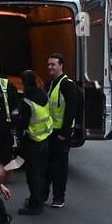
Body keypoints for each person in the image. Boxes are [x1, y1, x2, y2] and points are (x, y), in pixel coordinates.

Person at [43, 53, 82, 209]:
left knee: (59, 168)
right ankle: (43, 195)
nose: (50, 67)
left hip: (60, 133)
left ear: (61, 66)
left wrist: (64, 134)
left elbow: (72, 110)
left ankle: (59, 198)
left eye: (53, 64)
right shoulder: (50, 83)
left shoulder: (67, 84)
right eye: (48, 64)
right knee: (47, 167)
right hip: (49, 132)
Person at [15, 70, 53, 216]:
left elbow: (23, 122)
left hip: (32, 140)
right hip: (45, 137)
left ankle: (35, 204)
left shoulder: (27, 99)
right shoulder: (43, 94)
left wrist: (15, 121)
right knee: (41, 172)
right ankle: (39, 198)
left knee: (33, 174)